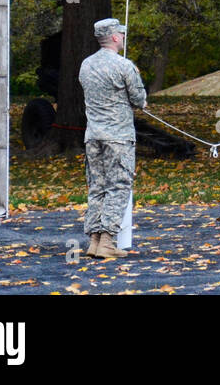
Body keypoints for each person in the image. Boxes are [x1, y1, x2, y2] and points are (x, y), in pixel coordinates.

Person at [80, 17, 147, 259]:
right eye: (122, 33)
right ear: (116, 37)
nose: (124, 37)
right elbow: (139, 99)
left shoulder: (85, 65)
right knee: (118, 187)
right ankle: (107, 241)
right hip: (118, 137)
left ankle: (94, 242)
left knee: (97, 187)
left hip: (93, 136)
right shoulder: (124, 66)